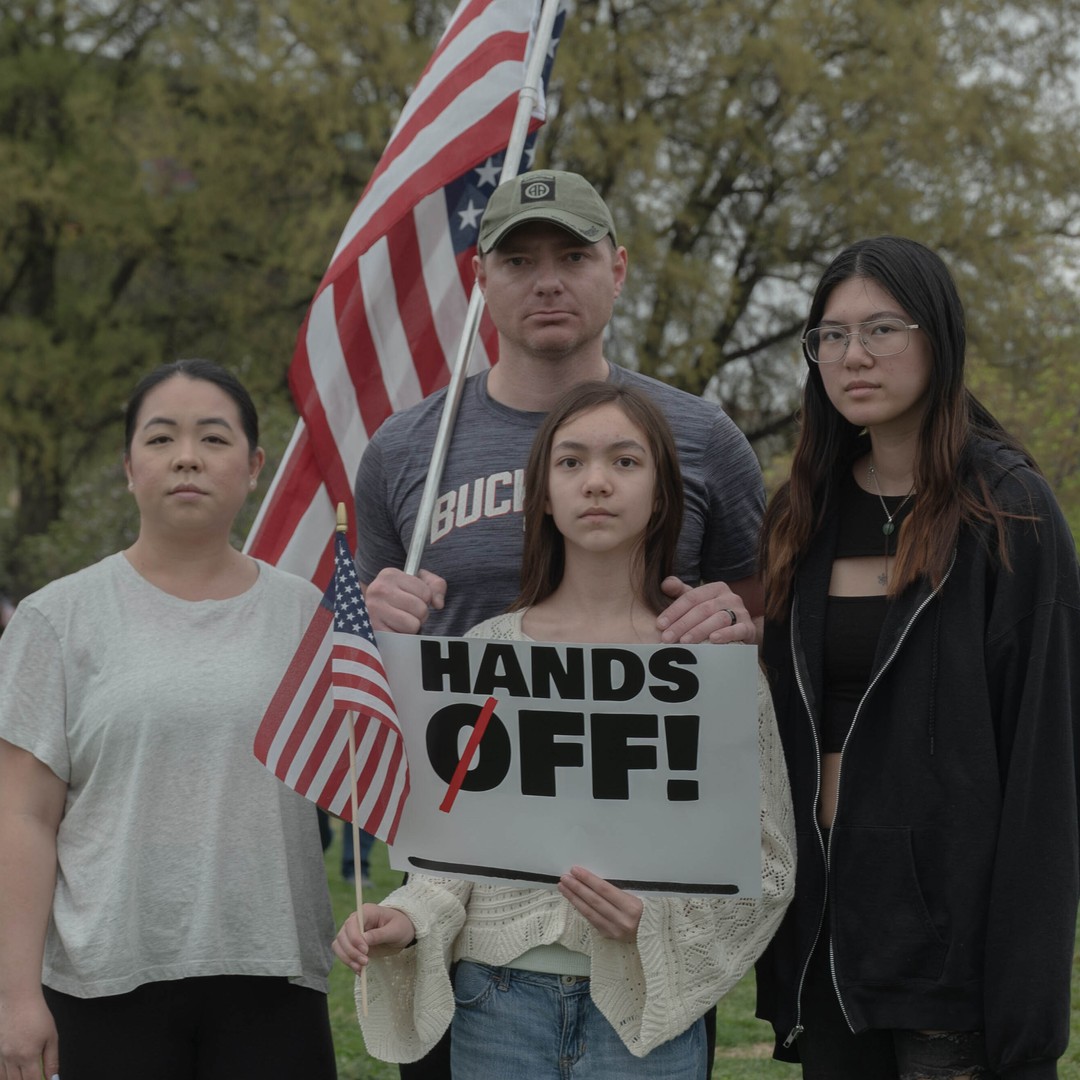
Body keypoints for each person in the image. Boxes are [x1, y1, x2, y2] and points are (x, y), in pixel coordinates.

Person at [357, 168, 767, 1079]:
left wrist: (743, 627)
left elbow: (758, 631)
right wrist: (377, 628)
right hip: (472, 903)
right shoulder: (404, 448)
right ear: (480, 278)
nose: (548, 279)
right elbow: (366, 670)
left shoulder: (700, 438)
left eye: (573, 255)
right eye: (520, 259)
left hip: (641, 893)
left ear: (617, 268)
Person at [334, 381, 795, 1076]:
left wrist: (657, 928)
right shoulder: (485, 653)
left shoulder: (710, 663)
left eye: (625, 462)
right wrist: (409, 918)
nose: (598, 482)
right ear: (542, 495)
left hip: (642, 1013)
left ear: (664, 493)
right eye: (572, 462)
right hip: (494, 1000)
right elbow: (453, 853)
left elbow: (769, 860)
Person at [754, 236, 1080, 1079]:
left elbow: (1046, 762)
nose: (853, 355)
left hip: (951, 949)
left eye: (882, 329)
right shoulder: (803, 510)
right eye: (831, 335)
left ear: (938, 335)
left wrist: (1025, 996)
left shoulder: (1010, 512)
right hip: (828, 931)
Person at [0, 360, 337, 1080]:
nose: (187, 456)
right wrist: (15, 997)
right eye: (161, 439)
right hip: (105, 981)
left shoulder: (310, 616)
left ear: (253, 467)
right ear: (129, 468)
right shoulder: (55, 619)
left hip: (272, 975)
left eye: (214, 439)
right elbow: (23, 816)